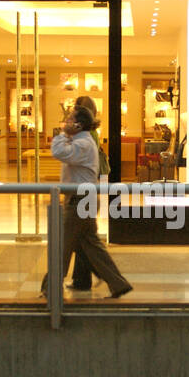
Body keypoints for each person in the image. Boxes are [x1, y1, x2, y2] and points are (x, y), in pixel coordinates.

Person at [40, 105, 133, 299]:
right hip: (82, 201)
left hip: (79, 202)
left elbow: (58, 152)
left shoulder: (83, 144)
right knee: (91, 245)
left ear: (78, 124)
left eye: (69, 119)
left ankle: (50, 289)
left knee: (62, 245)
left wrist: (62, 134)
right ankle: (118, 283)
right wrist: (67, 134)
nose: (66, 121)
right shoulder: (81, 141)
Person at [68, 95, 109, 292]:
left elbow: (67, 154)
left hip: (82, 193)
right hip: (86, 192)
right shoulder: (91, 134)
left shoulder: (86, 137)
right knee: (84, 240)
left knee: (77, 240)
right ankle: (82, 280)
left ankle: (102, 274)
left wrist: (63, 135)